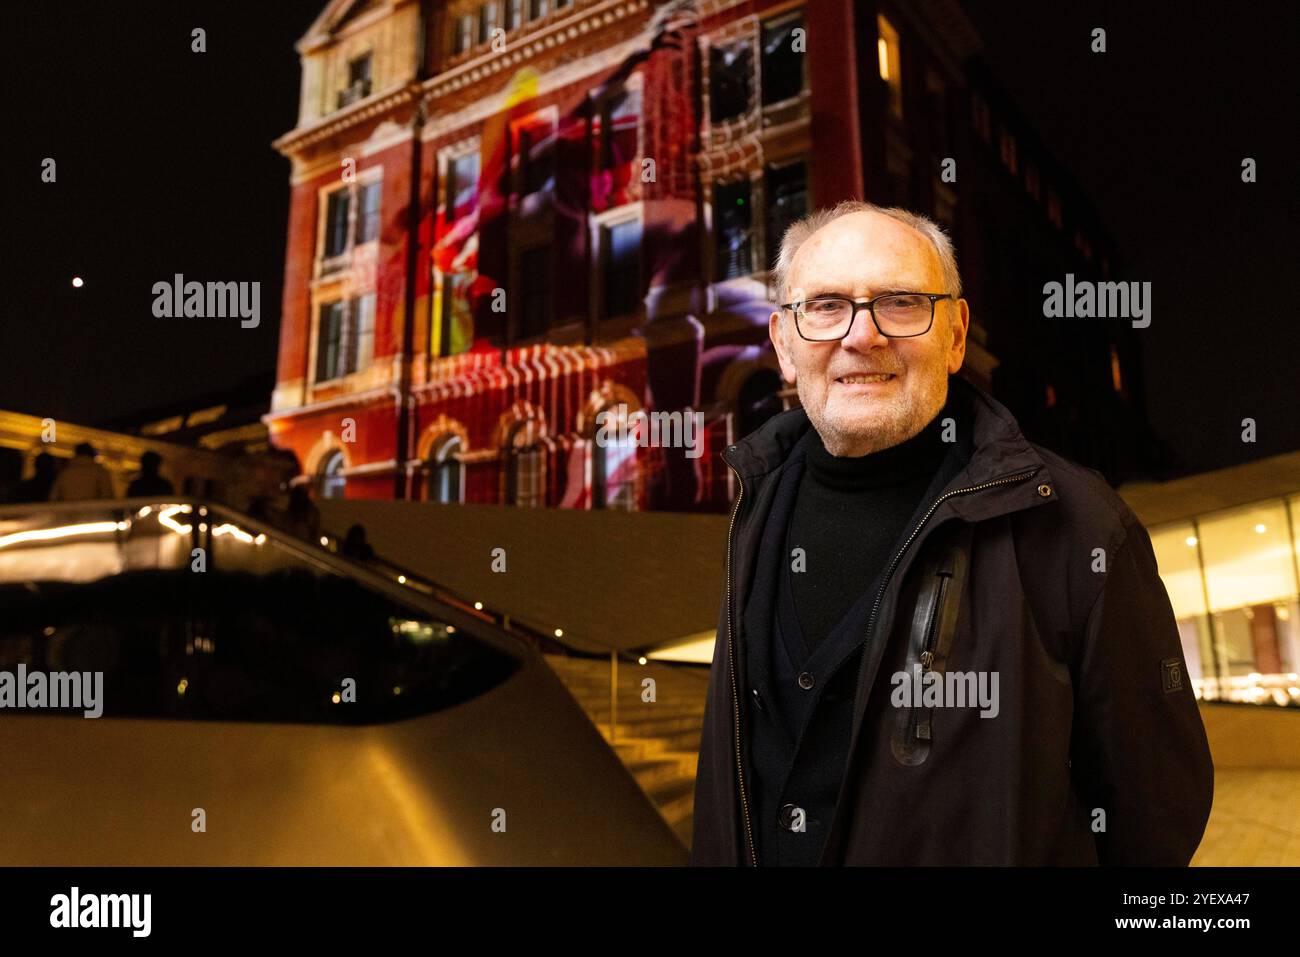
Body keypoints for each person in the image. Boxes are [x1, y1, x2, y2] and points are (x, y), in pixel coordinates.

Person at [690, 201, 1213, 867]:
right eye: (825, 305)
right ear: (784, 345)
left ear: (957, 334)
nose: (861, 336)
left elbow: (1155, 821)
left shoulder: (1078, 527)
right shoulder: (753, 507)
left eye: (901, 301)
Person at [49, 442, 116, 501]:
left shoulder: (64, 473)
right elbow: (107, 496)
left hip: (68, 513)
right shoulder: (100, 472)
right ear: (92, 454)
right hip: (94, 513)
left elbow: (54, 497)